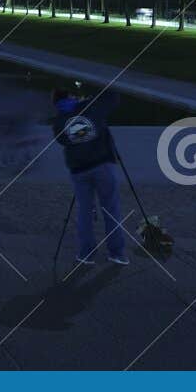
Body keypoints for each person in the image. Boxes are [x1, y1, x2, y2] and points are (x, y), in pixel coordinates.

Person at [51, 89, 127, 266]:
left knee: (84, 212)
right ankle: (117, 253)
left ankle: (86, 253)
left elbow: (63, 140)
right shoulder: (91, 107)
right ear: (72, 96)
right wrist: (91, 97)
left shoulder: (58, 121)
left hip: (79, 170)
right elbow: (114, 97)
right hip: (102, 165)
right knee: (111, 210)